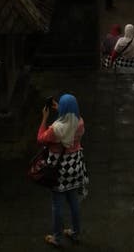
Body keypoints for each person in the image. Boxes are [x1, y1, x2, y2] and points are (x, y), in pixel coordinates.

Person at [37, 93, 88, 247]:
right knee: (73, 202)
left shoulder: (55, 130)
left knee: (57, 205)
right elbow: (70, 118)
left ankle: (57, 238)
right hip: (75, 168)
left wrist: (44, 118)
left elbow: (41, 138)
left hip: (58, 172)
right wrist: (60, 107)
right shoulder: (80, 123)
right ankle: (75, 232)